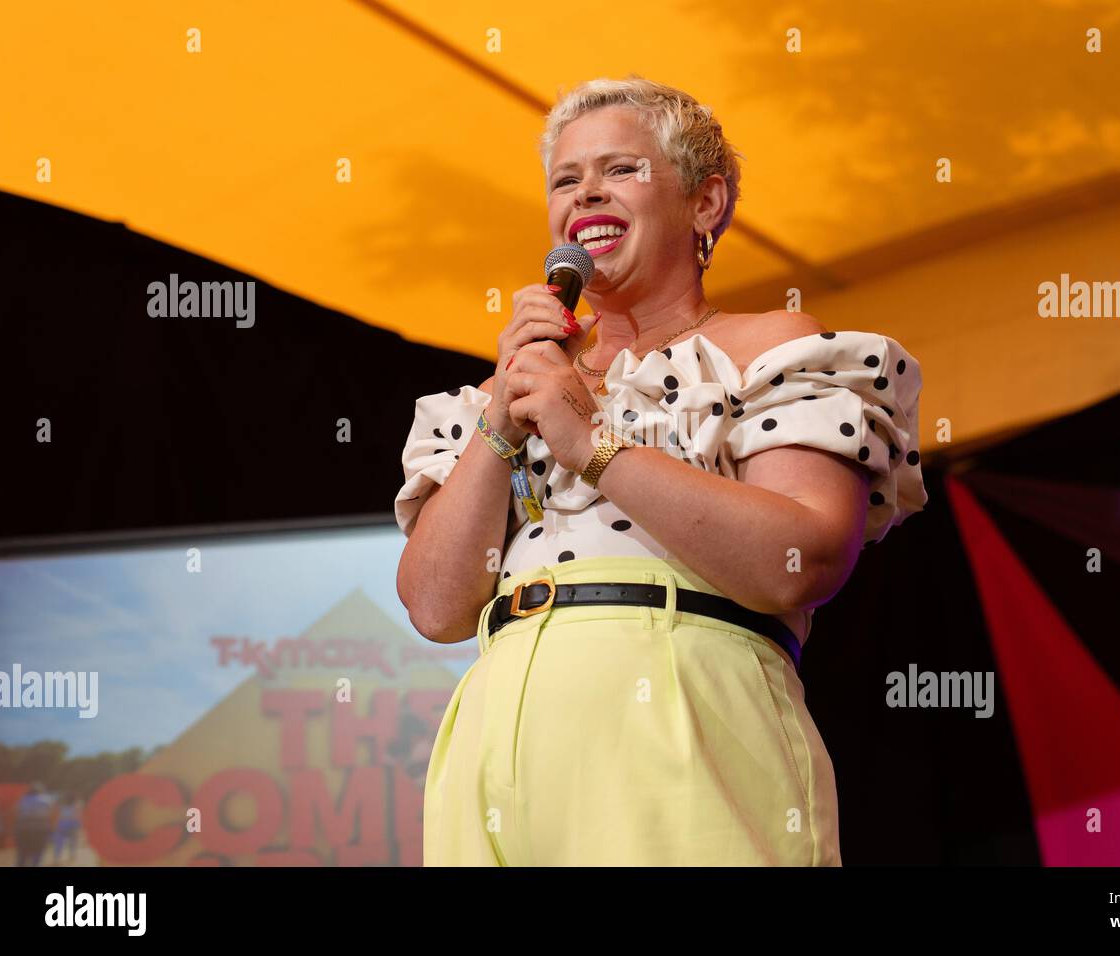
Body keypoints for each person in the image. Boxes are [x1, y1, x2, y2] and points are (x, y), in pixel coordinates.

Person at [395, 75, 928, 866]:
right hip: (498, 735)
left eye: (619, 170)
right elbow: (437, 607)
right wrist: (500, 424)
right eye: (566, 181)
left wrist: (592, 447)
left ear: (705, 204)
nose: (586, 197)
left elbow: (805, 556)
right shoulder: (500, 392)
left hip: (685, 717)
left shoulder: (770, 347)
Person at [13, 782, 55, 867]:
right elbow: (52, 814)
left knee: (22, 854)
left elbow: (16, 813)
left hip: (23, 828)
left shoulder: (22, 799)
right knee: (38, 853)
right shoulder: (47, 800)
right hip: (40, 829)